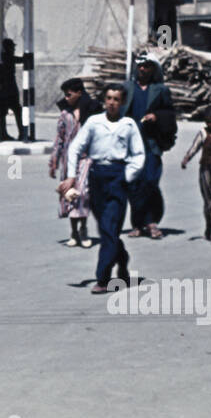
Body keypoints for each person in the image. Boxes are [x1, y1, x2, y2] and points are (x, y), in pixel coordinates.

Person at [58, 84, 144, 294]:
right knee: (107, 229)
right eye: (109, 98)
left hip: (118, 176)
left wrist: (127, 175)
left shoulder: (128, 124)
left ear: (122, 102)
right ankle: (122, 259)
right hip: (96, 177)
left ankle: (103, 278)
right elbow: (75, 147)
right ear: (104, 100)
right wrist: (71, 176)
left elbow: (139, 155)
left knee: (109, 226)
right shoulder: (94, 122)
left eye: (116, 99)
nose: (112, 103)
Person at [120, 58, 175, 239]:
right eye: (141, 66)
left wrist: (157, 116)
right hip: (130, 146)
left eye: (147, 66)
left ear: (153, 69)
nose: (143, 69)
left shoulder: (161, 90)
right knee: (134, 185)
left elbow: (170, 114)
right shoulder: (127, 88)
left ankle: (152, 221)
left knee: (151, 181)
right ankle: (138, 224)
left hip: (151, 144)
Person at [49, 78, 99, 247]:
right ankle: (73, 232)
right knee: (69, 194)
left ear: (79, 93)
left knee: (83, 194)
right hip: (67, 160)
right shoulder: (65, 114)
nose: (67, 97)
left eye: (69, 94)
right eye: (65, 94)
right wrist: (54, 160)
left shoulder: (92, 112)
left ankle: (84, 230)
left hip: (86, 159)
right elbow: (59, 138)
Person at [180, 110, 211, 243]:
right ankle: (208, 227)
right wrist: (186, 159)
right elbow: (195, 147)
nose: (210, 124)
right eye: (207, 122)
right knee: (208, 203)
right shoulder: (203, 133)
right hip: (205, 169)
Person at [0, 38, 23, 142]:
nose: (13, 49)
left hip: (6, 91)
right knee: (15, 112)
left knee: (4, 115)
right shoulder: (6, 58)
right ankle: (20, 133)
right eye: (12, 47)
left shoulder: (1, 59)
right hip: (8, 91)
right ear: (7, 48)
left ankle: (5, 134)